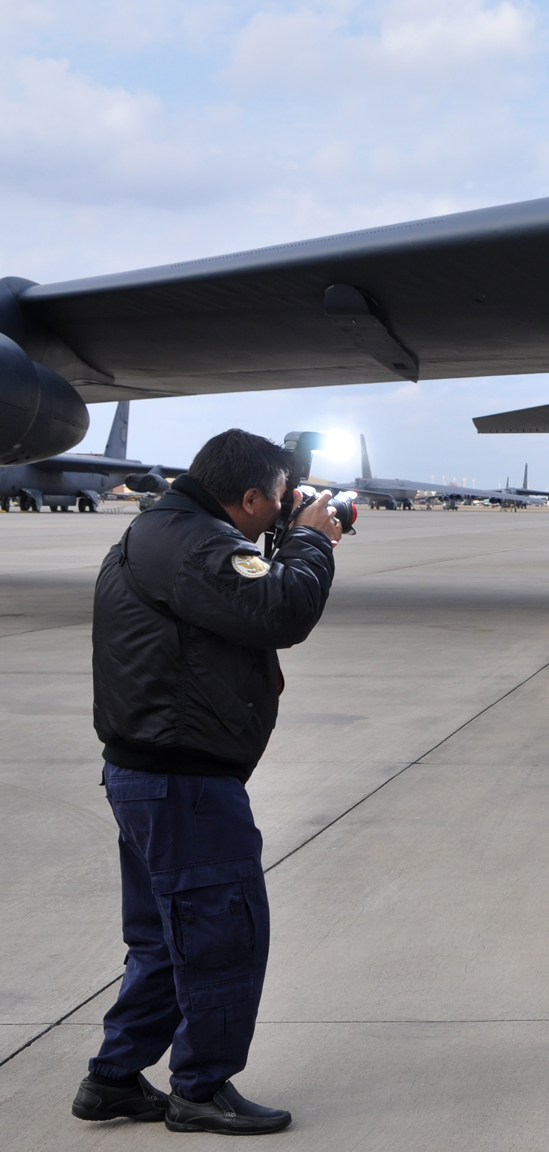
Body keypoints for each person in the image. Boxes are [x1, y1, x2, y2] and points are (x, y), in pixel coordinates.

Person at [74, 429, 341, 1135]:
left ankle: (113, 1080)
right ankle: (200, 1087)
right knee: (223, 932)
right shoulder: (198, 544)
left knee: (165, 939)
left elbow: (240, 607)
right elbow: (281, 612)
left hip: (149, 773)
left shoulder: (167, 532)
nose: (283, 510)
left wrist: (291, 542)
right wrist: (313, 542)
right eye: (278, 501)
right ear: (249, 496)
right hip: (183, 782)